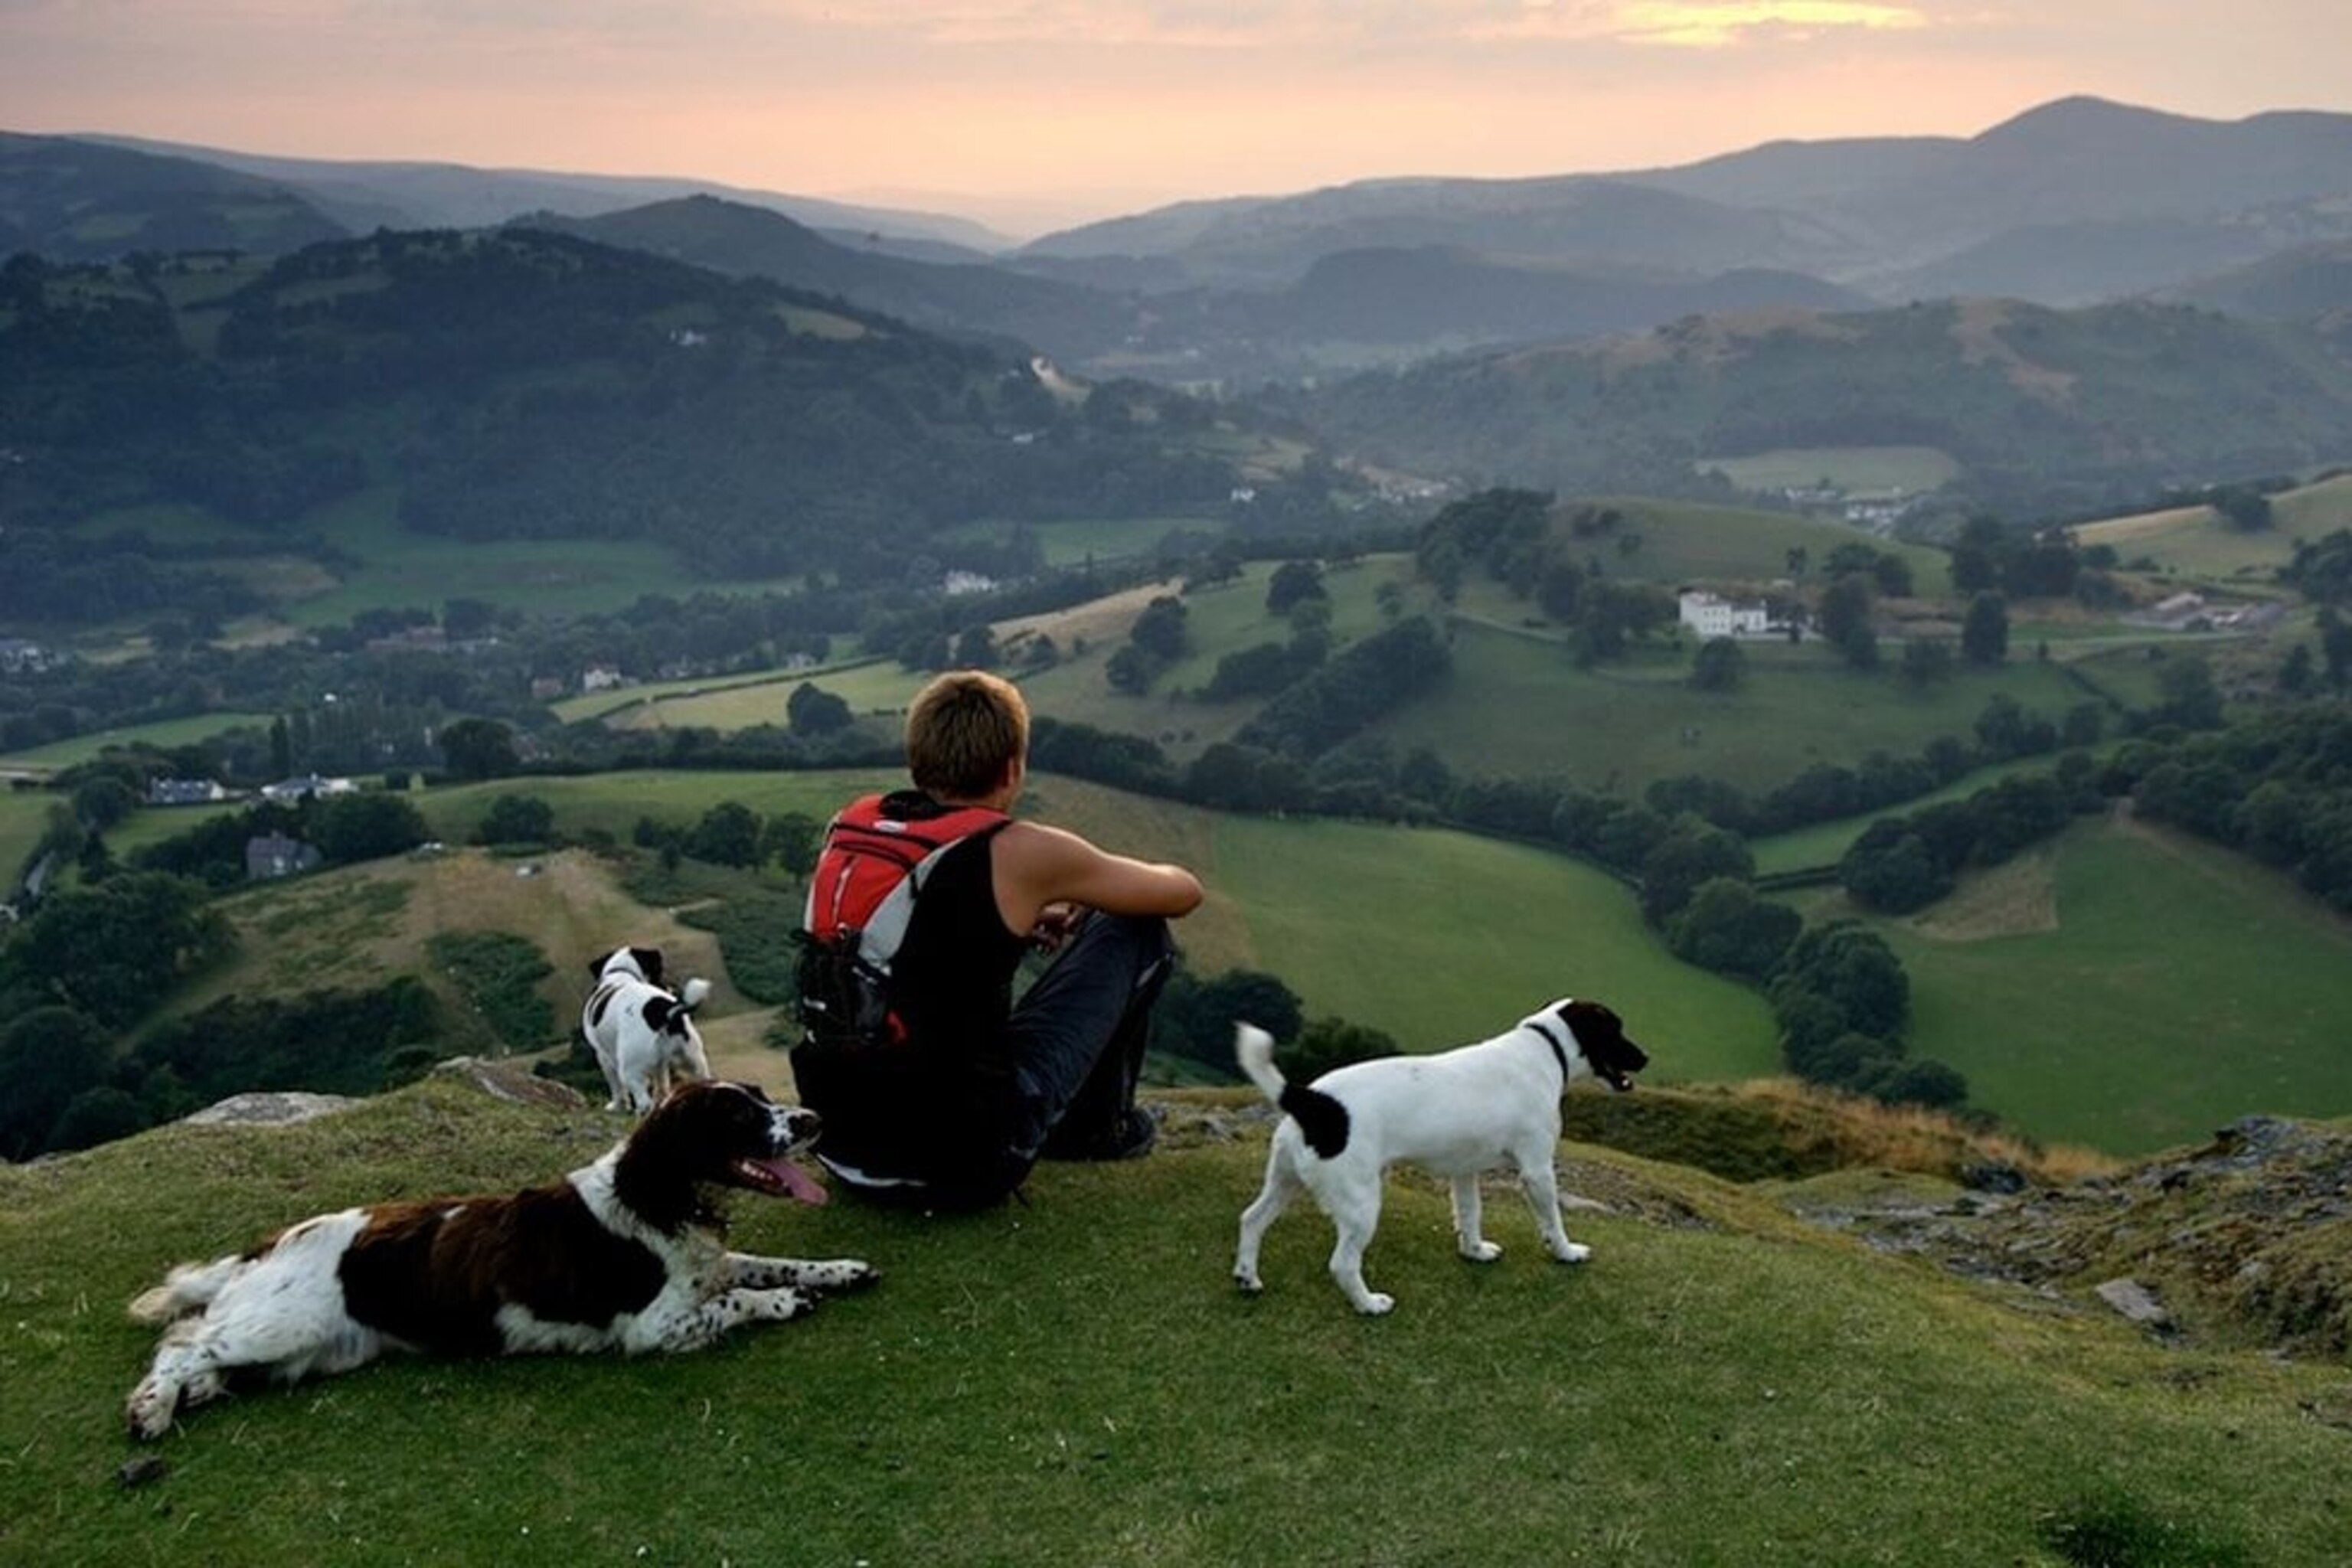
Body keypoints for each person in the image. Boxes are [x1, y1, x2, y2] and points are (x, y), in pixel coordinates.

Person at [790, 670, 1202, 1210]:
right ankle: (1096, 1130)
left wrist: (1014, 922)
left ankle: (1068, 1126)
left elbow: (908, 953)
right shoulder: (1019, 851)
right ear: (1012, 768)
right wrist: (1081, 889)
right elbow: (1181, 893)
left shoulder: (850, 829)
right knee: (1134, 928)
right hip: (964, 1166)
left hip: (844, 1151)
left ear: (917, 763)